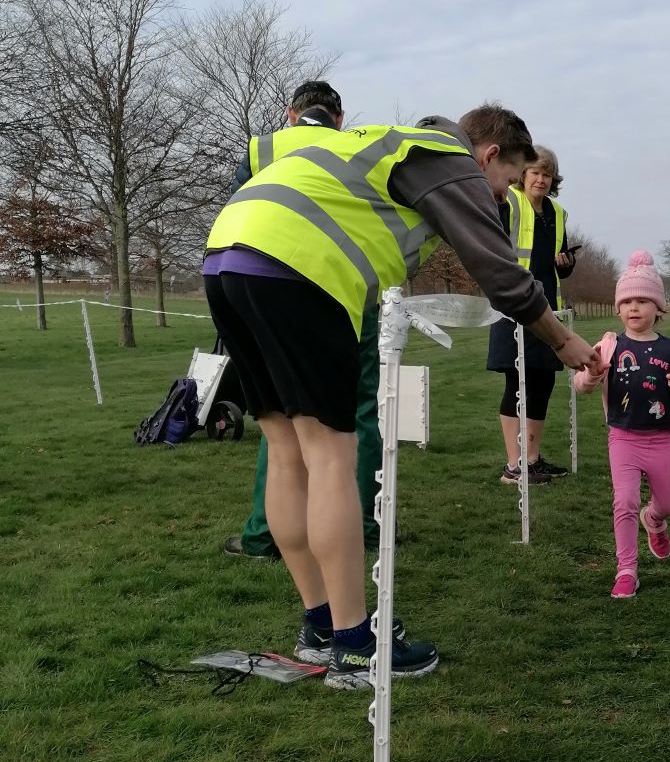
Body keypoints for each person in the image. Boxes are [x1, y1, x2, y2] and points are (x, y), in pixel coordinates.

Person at [204, 104, 598, 687]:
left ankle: (318, 626)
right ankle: (356, 642)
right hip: (298, 270)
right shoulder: (449, 158)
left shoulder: (380, 142)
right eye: (510, 182)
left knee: (287, 454)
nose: (506, 197)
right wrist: (564, 342)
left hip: (226, 257)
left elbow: (267, 160)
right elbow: (499, 273)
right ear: (489, 155)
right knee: (331, 456)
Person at [219, 79, 383, 561]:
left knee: (281, 413)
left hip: (274, 291)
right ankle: (367, 525)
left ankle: (265, 535)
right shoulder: (358, 151)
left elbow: (241, 214)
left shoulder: (263, 150)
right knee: (360, 412)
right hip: (350, 292)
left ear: (291, 113)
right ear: (339, 118)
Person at [574, 251, 670, 598]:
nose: (635, 308)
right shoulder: (609, 346)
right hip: (623, 438)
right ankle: (626, 570)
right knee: (625, 502)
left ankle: (655, 520)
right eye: (628, 301)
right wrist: (591, 375)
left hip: (661, 439)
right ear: (618, 308)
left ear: (658, 309)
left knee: (669, 504)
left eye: (643, 301)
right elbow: (581, 385)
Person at [487, 146, 576, 484]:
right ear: (523, 175)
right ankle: (514, 466)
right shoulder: (507, 201)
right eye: (535, 172)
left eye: (547, 174)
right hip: (512, 307)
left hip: (546, 309)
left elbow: (560, 265)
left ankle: (532, 460)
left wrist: (567, 263)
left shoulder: (557, 213)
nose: (541, 179)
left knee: (542, 381)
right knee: (517, 382)